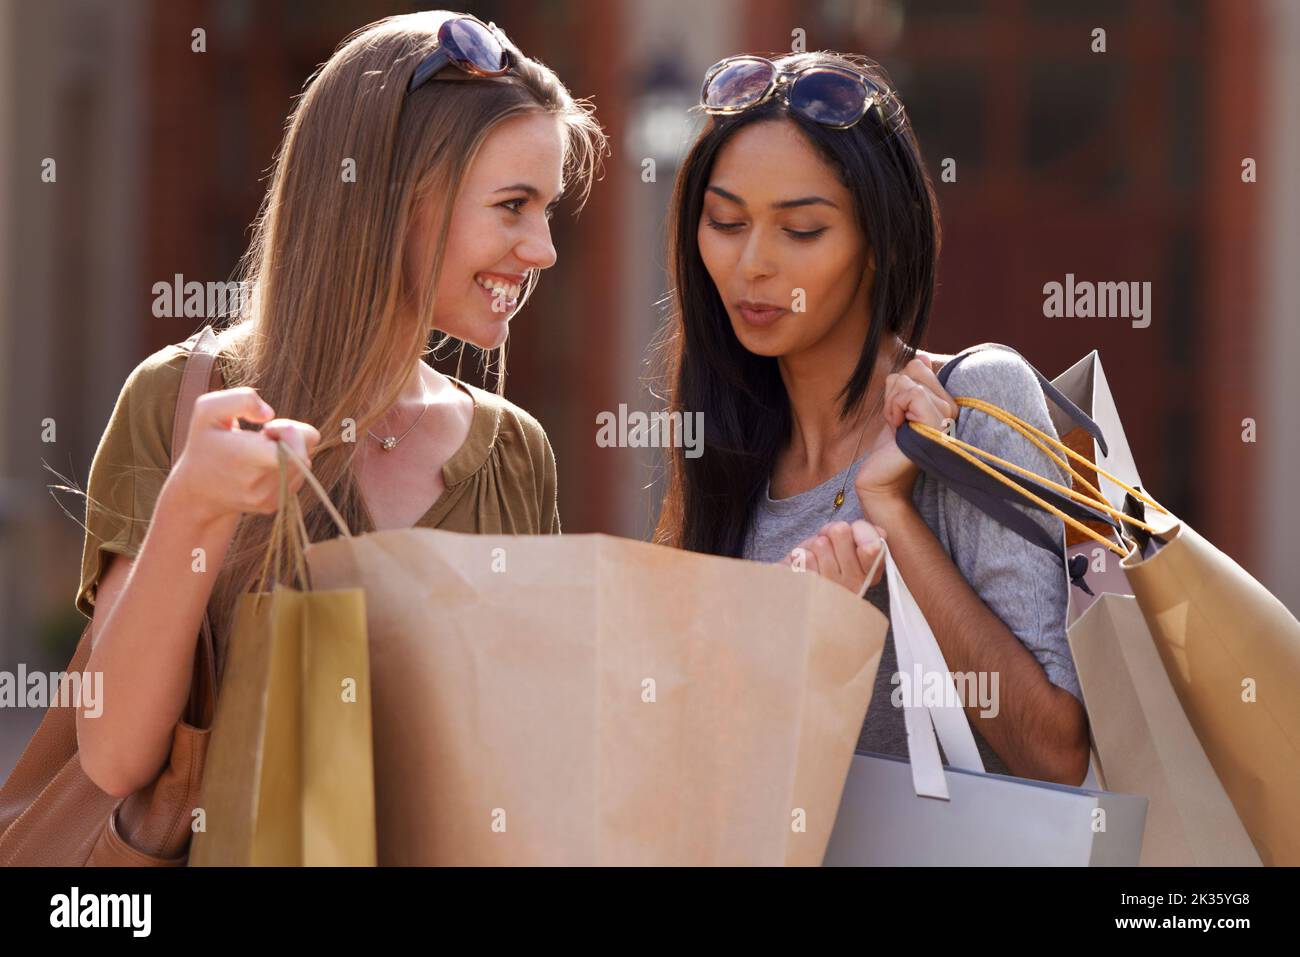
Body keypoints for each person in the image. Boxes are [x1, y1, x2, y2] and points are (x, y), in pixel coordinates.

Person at [74, 10, 607, 800]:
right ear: (392, 199)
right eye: (512, 205)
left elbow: (533, 766)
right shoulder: (185, 400)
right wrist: (194, 505)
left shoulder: (514, 453)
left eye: (547, 209)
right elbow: (115, 757)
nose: (543, 248)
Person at [653, 51, 1089, 784]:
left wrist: (892, 511)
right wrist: (808, 641)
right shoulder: (724, 456)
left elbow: (1057, 751)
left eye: (801, 231)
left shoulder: (972, 405)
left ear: (880, 245)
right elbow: (690, 778)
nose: (752, 263)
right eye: (726, 221)